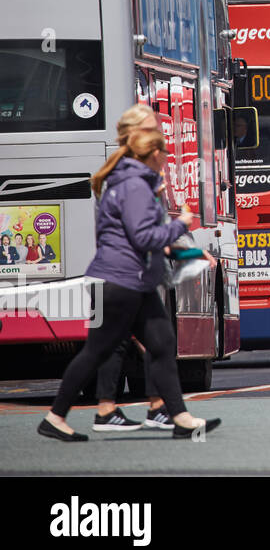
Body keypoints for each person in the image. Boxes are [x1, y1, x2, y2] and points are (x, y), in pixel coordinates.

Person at [39, 128, 220, 442]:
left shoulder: (132, 184)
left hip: (135, 279)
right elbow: (144, 238)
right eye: (164, 154)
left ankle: (179, 416)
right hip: (122, 279)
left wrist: (188, 247)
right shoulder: (134, 186)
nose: (167, 160)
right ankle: (56, 416)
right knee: (98, 351)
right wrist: (181, 224)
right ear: (152, 154)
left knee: (161, 344)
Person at [94, 103, 173, 432]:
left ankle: (153, 408)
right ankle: (103, 411)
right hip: (128, 271)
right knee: (134, 340)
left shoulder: (132, 171)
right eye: (152, 126)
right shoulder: (131, 174)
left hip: (131, 269)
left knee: (145, 340)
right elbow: (139, 228)